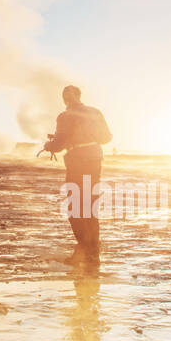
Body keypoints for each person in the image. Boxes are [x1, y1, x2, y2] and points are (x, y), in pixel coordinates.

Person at [42, 85, 112, 262]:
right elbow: (106, 138)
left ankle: (83, 251)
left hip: (77, 162)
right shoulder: (95, 112)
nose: (67, 99)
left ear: (66, 99)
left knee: (75, 208)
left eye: (66, 96)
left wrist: (48, 146)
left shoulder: (65, 116)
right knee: (90, 206)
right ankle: (93, 252)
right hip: (95, 160)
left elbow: (58, 144)